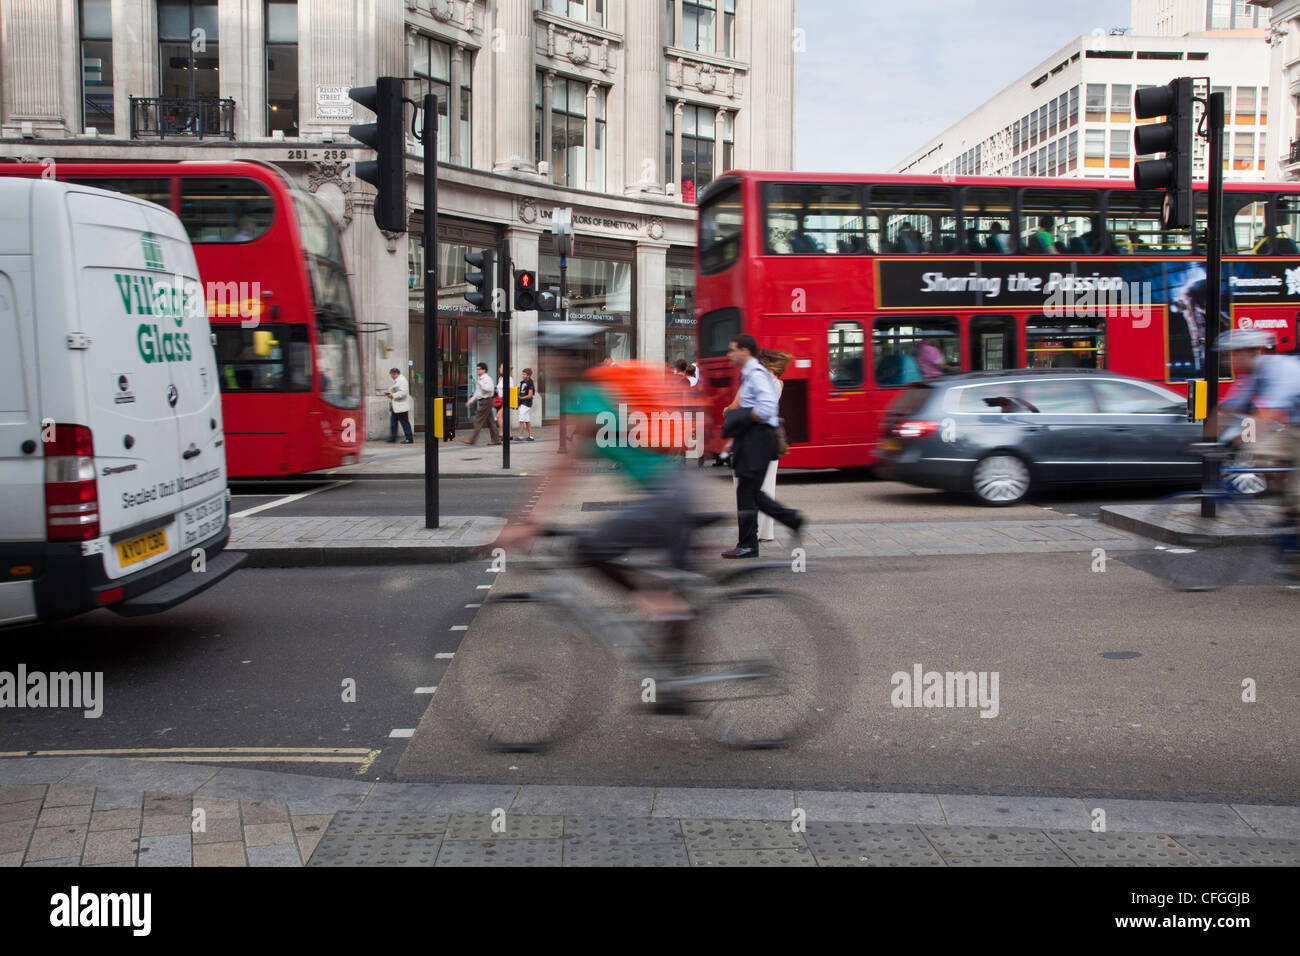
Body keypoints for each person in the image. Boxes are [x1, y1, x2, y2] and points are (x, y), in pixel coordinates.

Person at [497, 322, 706, 677]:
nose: (543, 364)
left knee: (589, 548)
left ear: (564, 360)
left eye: (547, 356)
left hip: (667, 496)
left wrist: (527, 522)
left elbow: (562, 466)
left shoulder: (591, 396)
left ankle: (657, 606)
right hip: (678, 490)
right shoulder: (596, 392)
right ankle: (676, 685)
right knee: (678, 592)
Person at [1219, 329, 1300, 562]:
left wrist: (1238, 440)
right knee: (1258, 452)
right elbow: (1229, 409)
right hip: (1294, 427)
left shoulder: (1279, 369)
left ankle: (1292, 511)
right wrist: (1210, 439)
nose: (1228, 361)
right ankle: (1287, 508)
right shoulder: (1252, 375)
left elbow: (1268, 415)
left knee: (1298, 494)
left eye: (1232, 355)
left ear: (1248, 353)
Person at [722, 334, 803, 559]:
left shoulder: (757, 375)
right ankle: (785, 522)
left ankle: (749, 544)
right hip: (752, 438)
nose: (729, 355)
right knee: (750, 493)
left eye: (732, 350)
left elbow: (766, 409)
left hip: (756, 439)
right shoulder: (752, 374)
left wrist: (739, 417)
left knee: (747, 493)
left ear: (745, 351)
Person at [462, 361, 500, 445]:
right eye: (477, 369)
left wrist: (480, 384)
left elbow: (490, 389)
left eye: (479, 369)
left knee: (478, 420)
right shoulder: (480, 379)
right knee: (491, 422)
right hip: (484, 401)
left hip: (486, 401)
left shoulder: (486, 379)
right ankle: (496, 439)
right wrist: (470, 401)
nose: (477, 371)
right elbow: (477, 393)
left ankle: (472, 439)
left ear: (484, 370)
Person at [386, 368, 413, 443]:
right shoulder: (398, 380)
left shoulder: (402, 380)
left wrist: (393, 395)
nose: (391, 377)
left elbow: (403, 392)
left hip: (401, 406)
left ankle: (409, 438)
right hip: (396, 406)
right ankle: (392, 438)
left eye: (392, 375)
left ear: (395, 374)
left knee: (404, 422)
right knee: (393, 423)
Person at [517, 367, 536, 441]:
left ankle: (520, 436)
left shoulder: (530, 383)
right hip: (523, 403)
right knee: (527, 420)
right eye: (522, 374)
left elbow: (530, 395)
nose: (523, 375)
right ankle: (531, 436)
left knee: (521, 418)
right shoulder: (522, 382)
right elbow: (521, 392)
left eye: (524, 374)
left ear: (529, 375)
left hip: (527, 403)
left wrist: (521, 398)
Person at [496, 362, 515, 436]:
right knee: (505, 417)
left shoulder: (509, 379)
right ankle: (509, 434)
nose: (499, 369)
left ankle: (503, 433)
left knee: (498, 416)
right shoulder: (501, 378)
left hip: (506, 400)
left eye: (501, 368)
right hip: (500, 400)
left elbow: (511, 390)